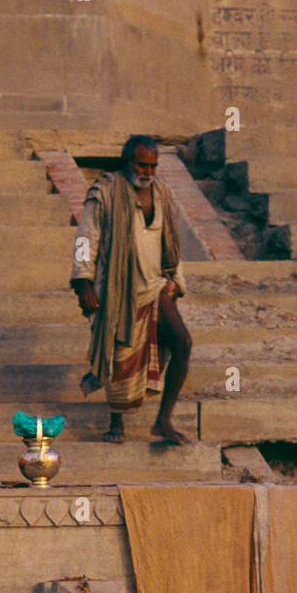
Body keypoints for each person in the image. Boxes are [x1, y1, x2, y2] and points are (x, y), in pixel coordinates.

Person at [70, 135, 192, 444]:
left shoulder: (162, 193)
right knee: (120, 355)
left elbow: (172, 241)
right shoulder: (106, 192)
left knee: (182, 343)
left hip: (156, 285)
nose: (148, 171)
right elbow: (86, 238)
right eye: (142, 164)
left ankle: (163, 420)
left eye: (153, 165)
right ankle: (116, 423)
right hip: (116, 289)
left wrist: (175, 282)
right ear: (127, 161)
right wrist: (83, 282)